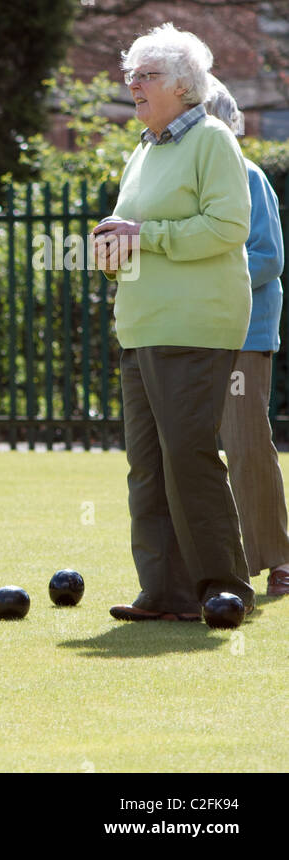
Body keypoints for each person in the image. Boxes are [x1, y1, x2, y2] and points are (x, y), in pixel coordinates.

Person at [91, 23, 256, 620]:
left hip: (194, 325)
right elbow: (135, 238)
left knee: (188, 456)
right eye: (131, 73)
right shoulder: (142, 148)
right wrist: (113, 253)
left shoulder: (212, 139)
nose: (133, 83)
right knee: (148, 465)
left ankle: (222, 586)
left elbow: (228, 227)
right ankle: (164, 591)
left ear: (185, 85)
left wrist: (145, 236)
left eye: (148, 74)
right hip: (140, 326)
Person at [204, 75, 289, 597]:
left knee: (246, 443)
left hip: (244, 332)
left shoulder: (247, 174)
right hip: (195, 331)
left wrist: (204, 274)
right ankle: (219, 563)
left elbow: (268, 257)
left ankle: (277, 557)